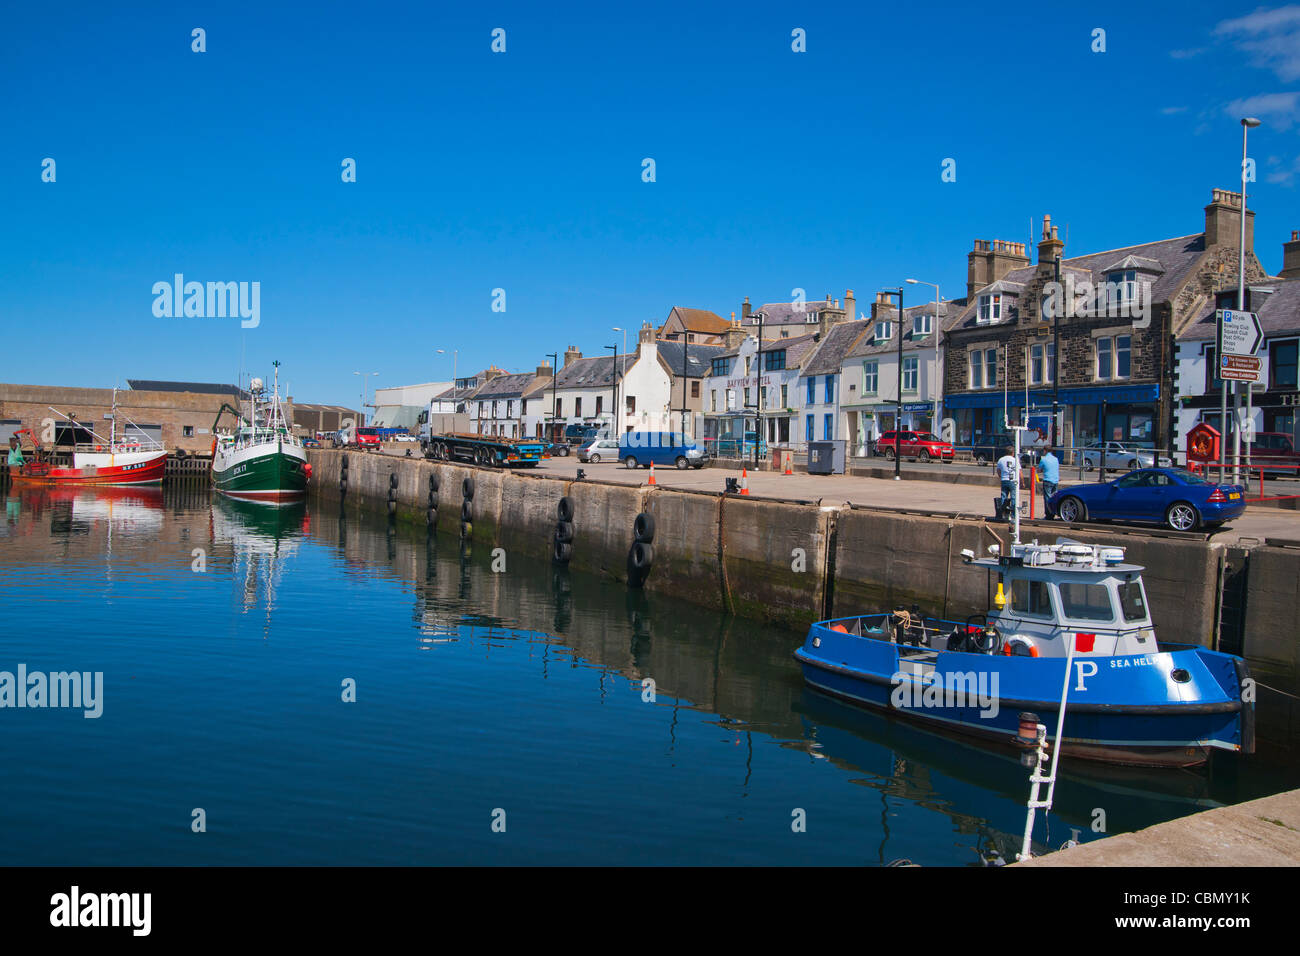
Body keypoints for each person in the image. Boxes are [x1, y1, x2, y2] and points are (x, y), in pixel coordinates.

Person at [995, 446, 1019, 518]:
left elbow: (998, 471)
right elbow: (1019, 471)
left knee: (1003, 496)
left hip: (1004, 480)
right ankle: (1014, 514)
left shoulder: (1001, 460)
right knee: (1014, 497)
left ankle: (1002, 513)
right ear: (1012, 453)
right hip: (1012, 480)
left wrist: (1001, 476)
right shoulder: (1015, 460)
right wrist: (1022, 482)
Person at [1037, 446, 1060, 518]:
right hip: (1055, 480)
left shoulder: (1044, 459)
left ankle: (1048, 514)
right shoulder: (1056, 459)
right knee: (1054, 497)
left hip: (1047, 480)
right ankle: (1054, 512)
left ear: (1045, 451)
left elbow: (1039, 470)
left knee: (1047, 498)